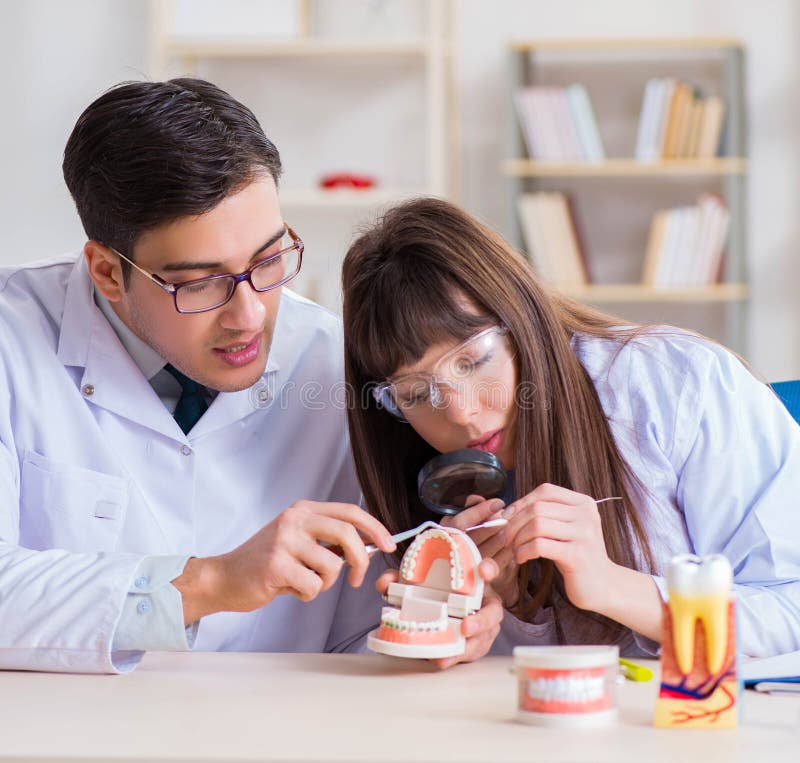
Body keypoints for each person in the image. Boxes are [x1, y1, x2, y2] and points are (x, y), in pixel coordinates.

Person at [0, 79, 501, 673]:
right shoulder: (12, 340)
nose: (250, 316)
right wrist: (209, 583)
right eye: (201, 283)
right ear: (108, 272)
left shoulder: (333, 361)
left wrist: (432, 620)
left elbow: (356, 639)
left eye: (268, 260)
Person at [341, 196, 800, 658]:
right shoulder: (409, 473)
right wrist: (496, 614)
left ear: (522, 320)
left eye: (472, 362)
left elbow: (789, 610)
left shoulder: (674, 383)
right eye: (416, 394)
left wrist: (610, 585)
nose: (460, 413)